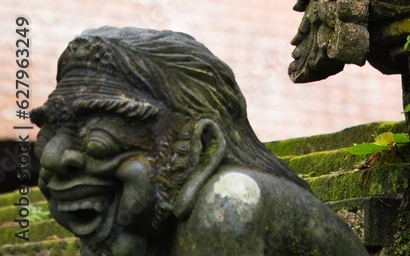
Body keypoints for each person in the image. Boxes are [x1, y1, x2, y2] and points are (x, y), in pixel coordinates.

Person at [31, 26, 369, 255]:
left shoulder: (228, 201)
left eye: (100, 140)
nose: (54, 157)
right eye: (52, 134)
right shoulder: (133, 222)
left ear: (201, 148)